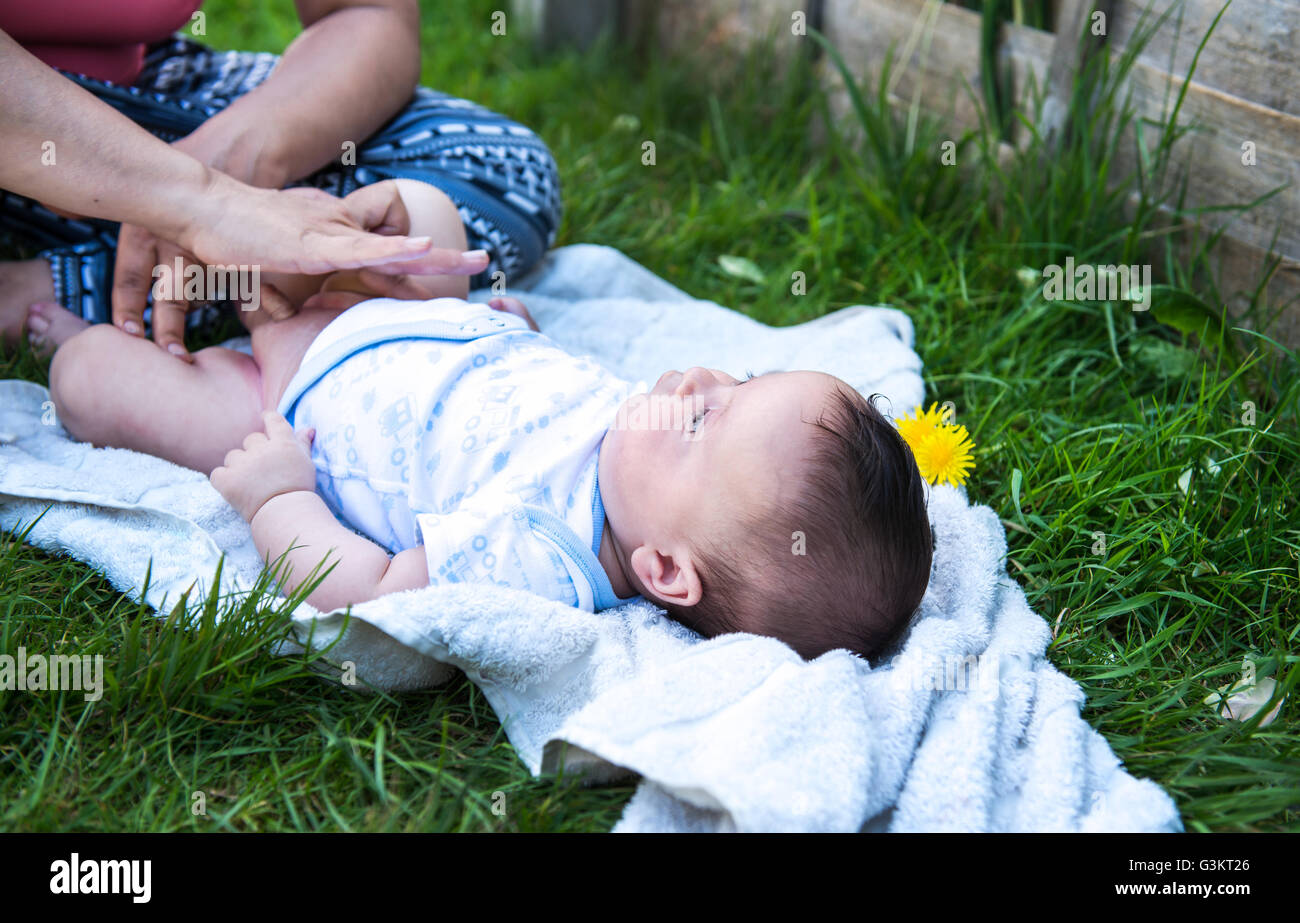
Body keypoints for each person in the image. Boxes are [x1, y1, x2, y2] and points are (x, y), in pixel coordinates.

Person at [42, 179, 934, 663]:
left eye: (707, 421)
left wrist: (281, 500)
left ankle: (69, 306)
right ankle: (262, 225)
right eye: (741, 378)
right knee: (425, 214)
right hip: (397, 310)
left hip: (291, 407)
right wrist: (511, 336)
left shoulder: (538, 556)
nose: (703, 377)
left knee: (88, 381)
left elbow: (375, 594)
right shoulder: (637, 448)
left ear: (664, 569)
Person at [1, 2, 561, 359]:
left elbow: (367, 11)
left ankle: (43, 288)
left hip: (129, 87)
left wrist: (231, 161)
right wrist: (196, 202)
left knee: (498, 169)